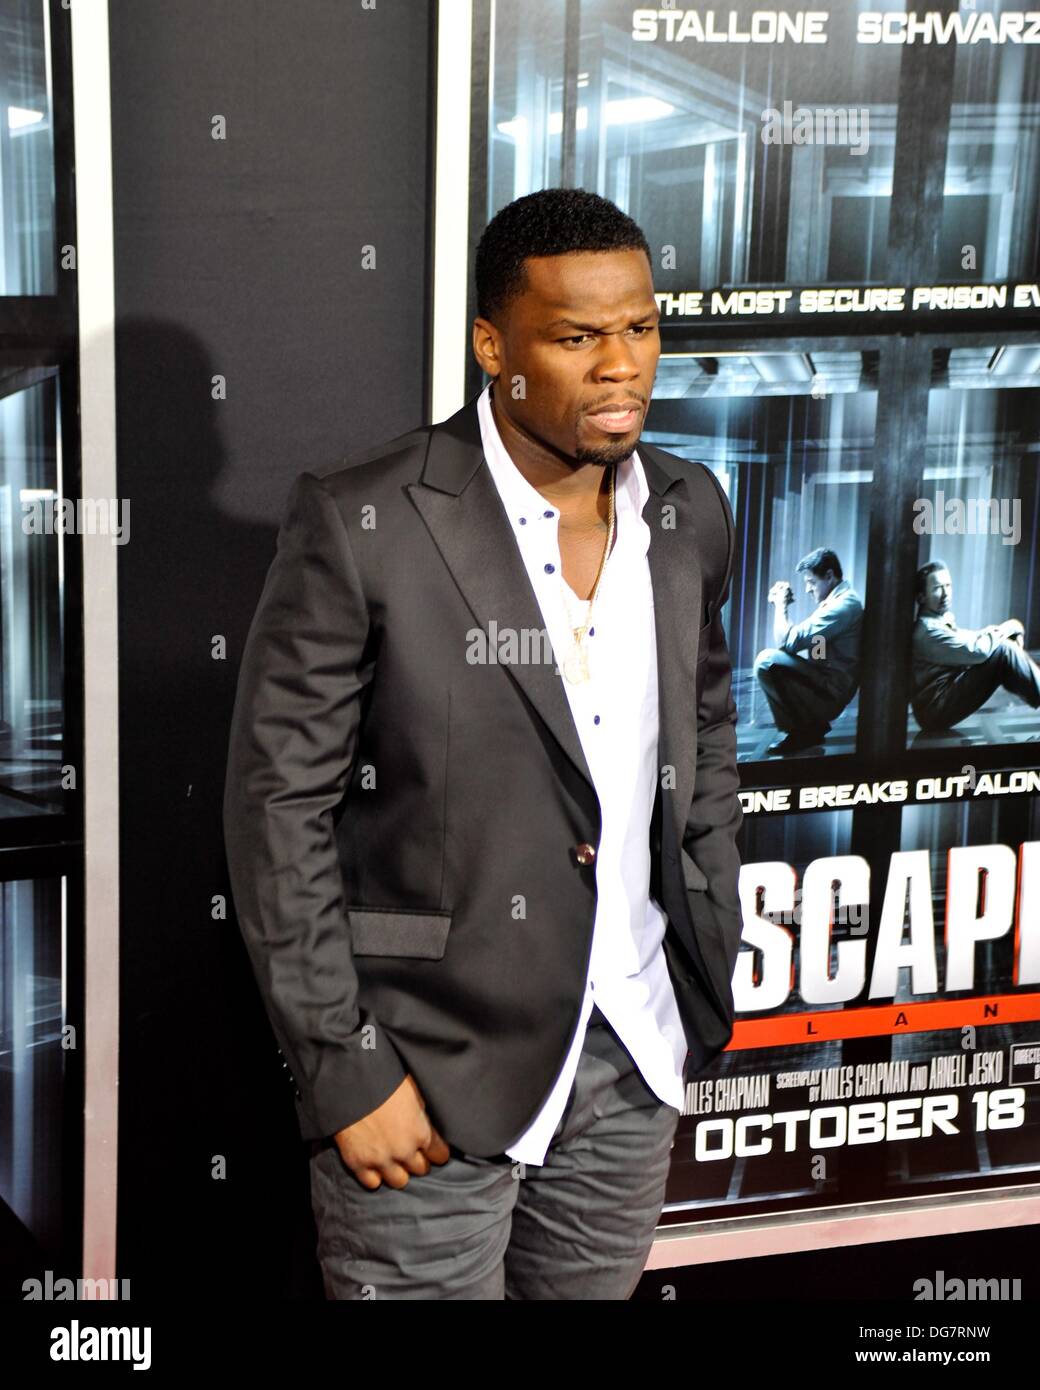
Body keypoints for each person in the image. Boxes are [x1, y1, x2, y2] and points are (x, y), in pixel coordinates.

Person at [222, 187, 744, 1300]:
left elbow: (700, 737)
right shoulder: (366, 519)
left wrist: (710, 935)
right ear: (491, 345)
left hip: (633, 1052)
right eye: (575, 336)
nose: (620, 365)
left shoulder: (688, 509)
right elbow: (277, 812)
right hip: (426, 1071)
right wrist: (342, 1068)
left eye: (640, 328)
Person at [753, 547, 863, 754]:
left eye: (811, 582)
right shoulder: (836, 602)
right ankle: (810, 727)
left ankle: (803, 731)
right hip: (827, 684)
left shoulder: (843, 605)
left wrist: (780, 605)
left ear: (829, 576)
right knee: (778, 661)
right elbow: (810, 647)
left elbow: (787, 641)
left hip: (830, 694)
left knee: (766, 661)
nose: (807, 589)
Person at [910, 559, 1040, 730]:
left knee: (1001, 645)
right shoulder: (927, 631)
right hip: (936, 711)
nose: (945, 593)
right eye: (937, 588)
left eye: (948, 586)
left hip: (941, 702)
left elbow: (971, 639)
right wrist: (1009, 627)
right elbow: (978, 651)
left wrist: (1007, 630)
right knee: (1003, 650)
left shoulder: (938, 620)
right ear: (921, 597)